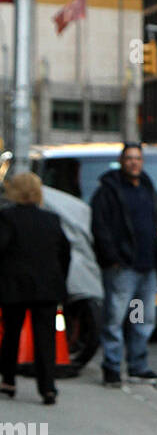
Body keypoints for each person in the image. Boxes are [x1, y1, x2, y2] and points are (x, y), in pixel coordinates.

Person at [90, 142, 157, 385]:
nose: (134, 162)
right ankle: (111, 367)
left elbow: (155, 220)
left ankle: (137, 365)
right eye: (129, 158)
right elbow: (99, 227)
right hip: (122, 268)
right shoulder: (108, 190)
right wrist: (112, 258)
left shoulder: (147, 186)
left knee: (140, 319)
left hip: (146, 266)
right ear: (122, 162)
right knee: (114, 319)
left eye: (138, 158)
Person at [0, 172, 70, 406]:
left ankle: (8, 380)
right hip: (47, 286)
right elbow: (65, 253)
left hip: (14, 286)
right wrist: (60, 278)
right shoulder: (52, 219)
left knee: (11, 333)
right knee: (46, 338)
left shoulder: (6, 218)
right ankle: (47, 387)